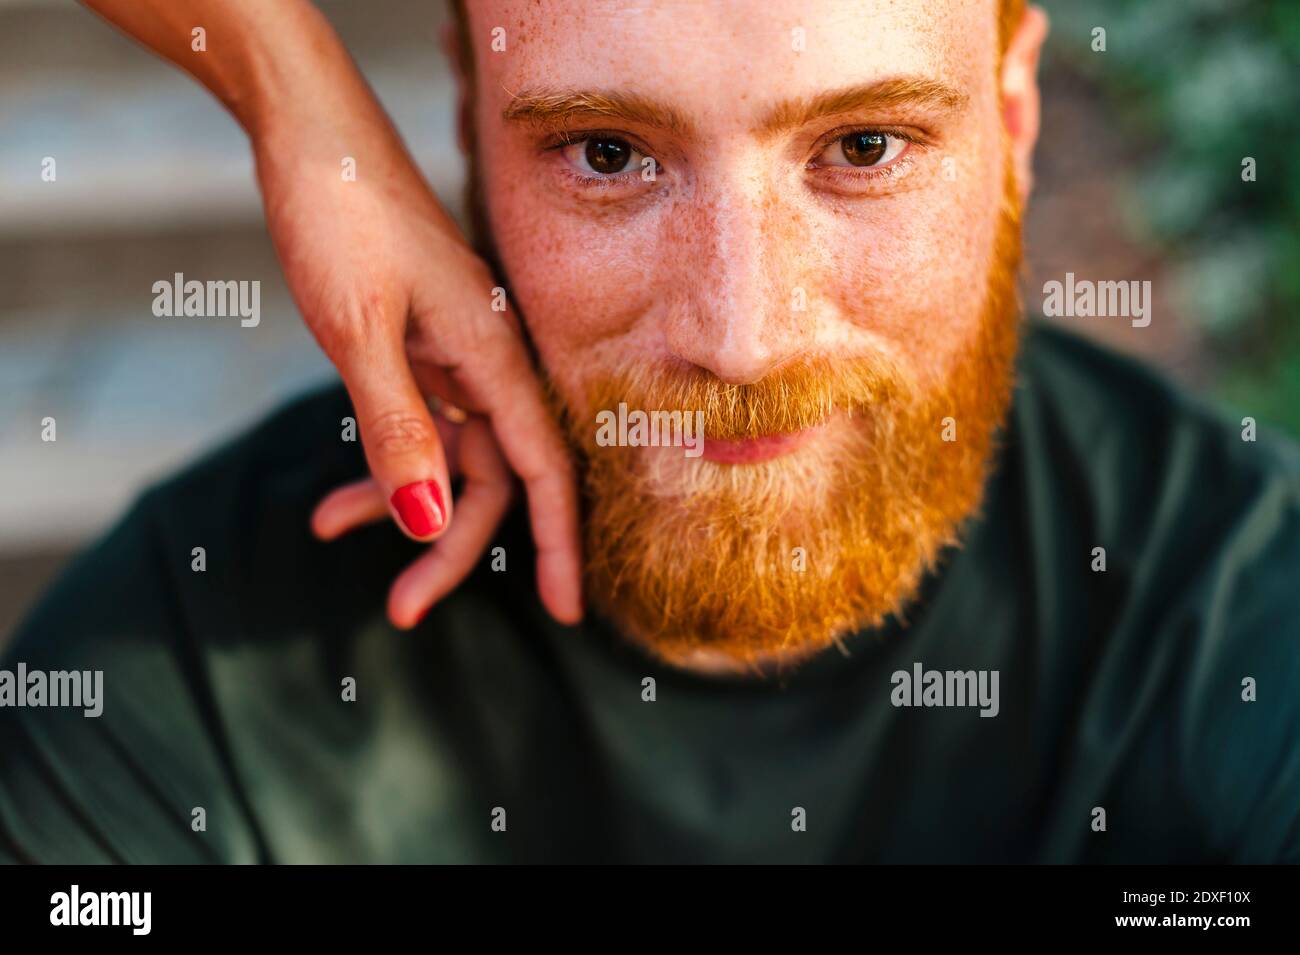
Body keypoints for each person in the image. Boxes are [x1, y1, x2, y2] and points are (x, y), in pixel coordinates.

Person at [2, 0, 1297, 863]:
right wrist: (287, 87)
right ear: (464, 116)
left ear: (1012, 115)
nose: (742, 335)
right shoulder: (172, 678)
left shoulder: (1242, 618)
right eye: (608, 154)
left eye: (863, 144)